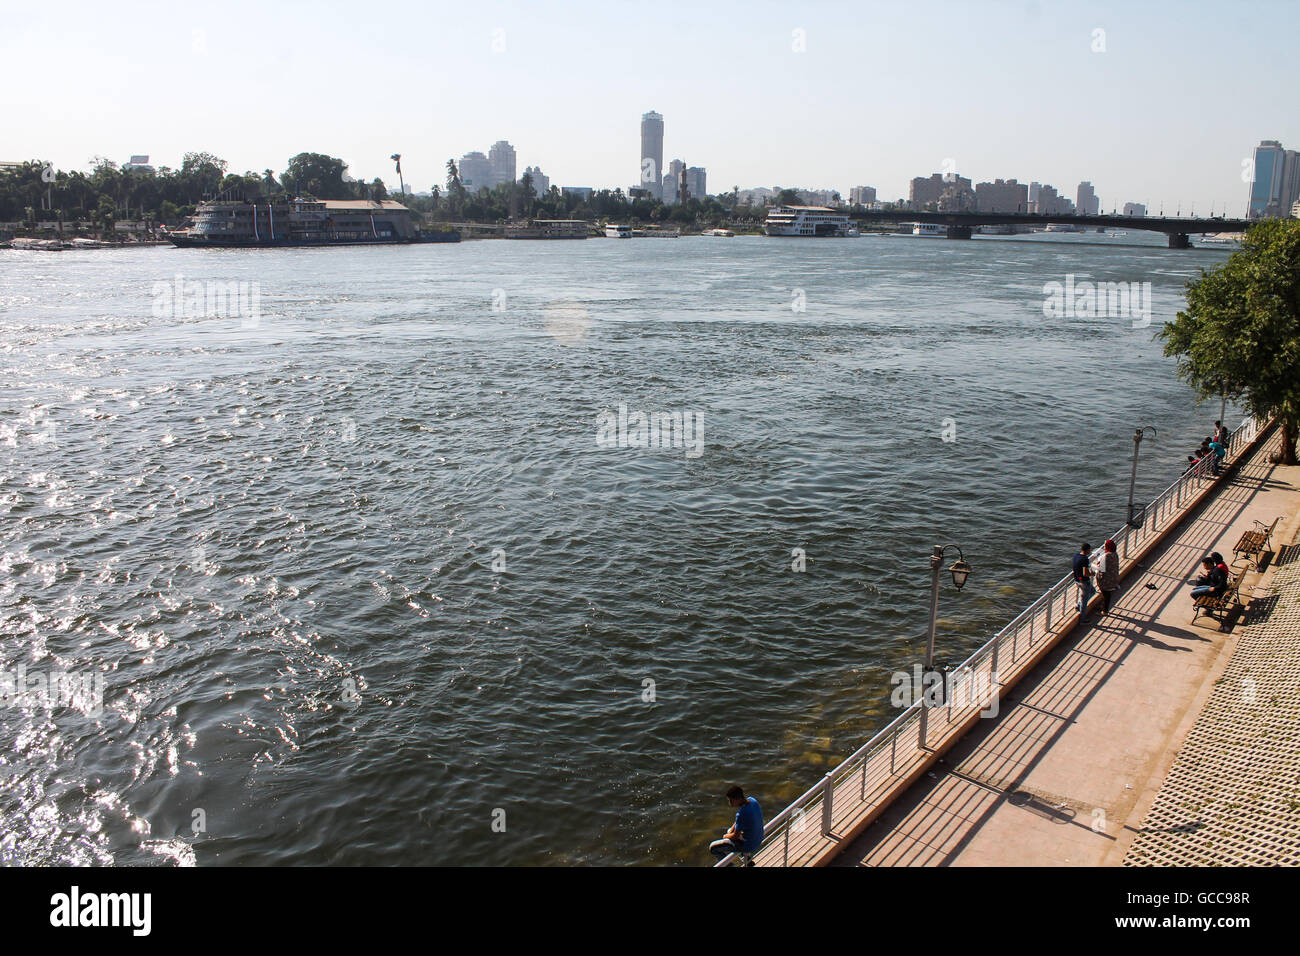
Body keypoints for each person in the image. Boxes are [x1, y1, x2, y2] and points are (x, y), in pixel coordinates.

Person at [709, 785, 763, 864]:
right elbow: (738, 822)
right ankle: (748, 862)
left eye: (731, 800)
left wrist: (725, 836)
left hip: (749, 845)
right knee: (729, 831)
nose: (730, 803)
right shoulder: (753, 801)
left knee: (713, 848)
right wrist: (731, 830)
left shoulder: (741, 814)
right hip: (758, 838)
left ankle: (730, 865)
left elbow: (735, 836)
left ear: (738, 799)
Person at [1098, 539, 1120, 614]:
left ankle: (1105, 610)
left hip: (1106, 580)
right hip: (1113, 578)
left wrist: (1093, 565)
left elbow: (1101, 569)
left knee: (1106, 594)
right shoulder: (1115, 554)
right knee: (1107, 594)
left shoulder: (1106, 556)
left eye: (1105, 545)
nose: (1104, 547)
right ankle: (1104, 607)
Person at [1073, 543, 1095, 618]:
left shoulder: (1076, 556)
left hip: (1077, 580)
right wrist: (1092, 574)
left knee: (1093, 591)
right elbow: (1085, 573)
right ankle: (1083, 619)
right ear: (1087, 550)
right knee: (1085, 600)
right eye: (1090, 550)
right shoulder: (1085, 559)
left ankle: (1078, 605)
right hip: (1084, 582)